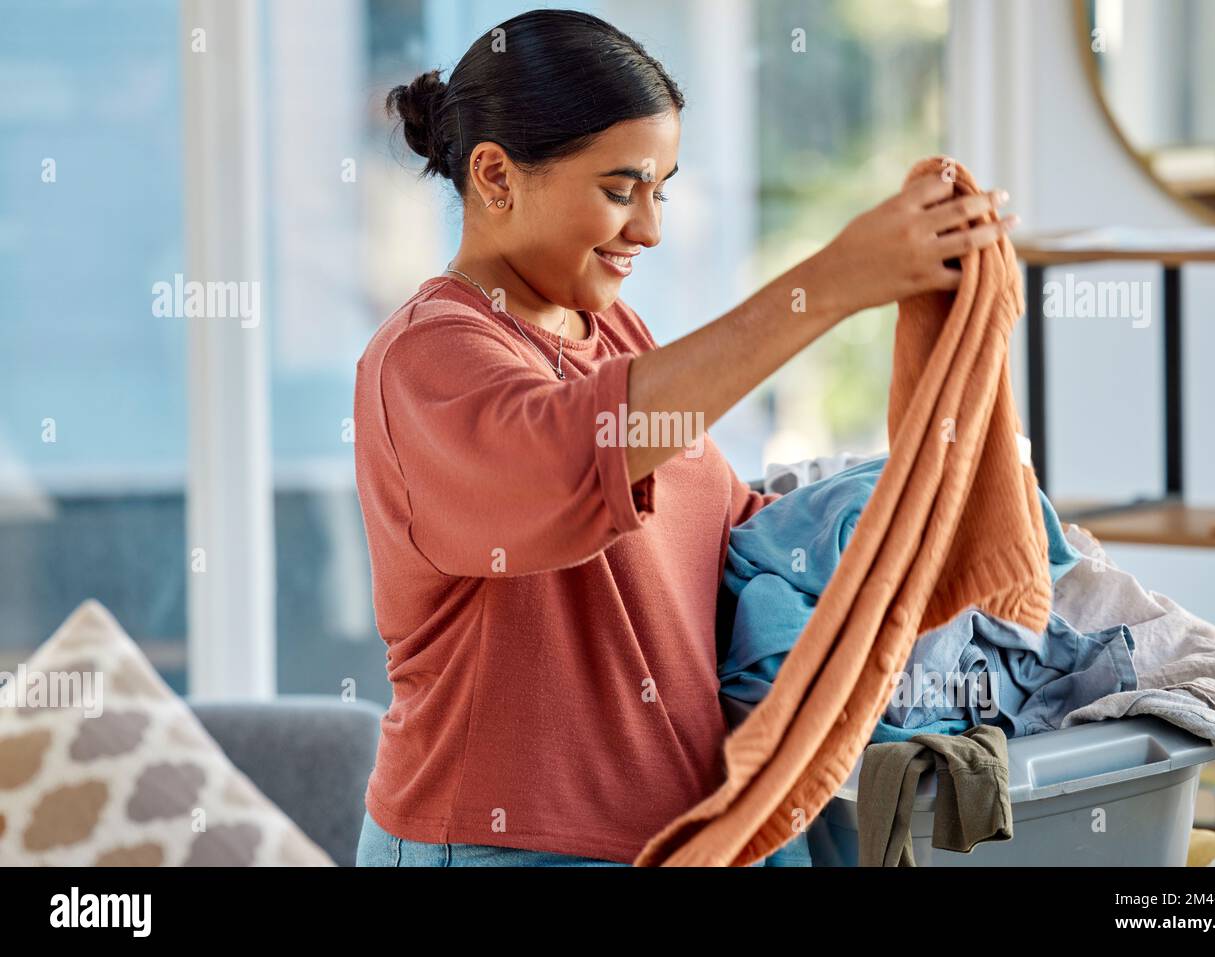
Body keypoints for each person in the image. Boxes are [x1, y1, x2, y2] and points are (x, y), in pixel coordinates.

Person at [353, 8, 1017, 868]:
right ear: (495, 175)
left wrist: (899, 509)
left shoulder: (613, 329)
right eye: (620, 189)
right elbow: (569, 456)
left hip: (666, 837)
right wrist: (832, 284)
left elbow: (723, 537)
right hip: (497, 844)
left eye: (660, 190)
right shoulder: (428, 356)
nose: (650, 229)